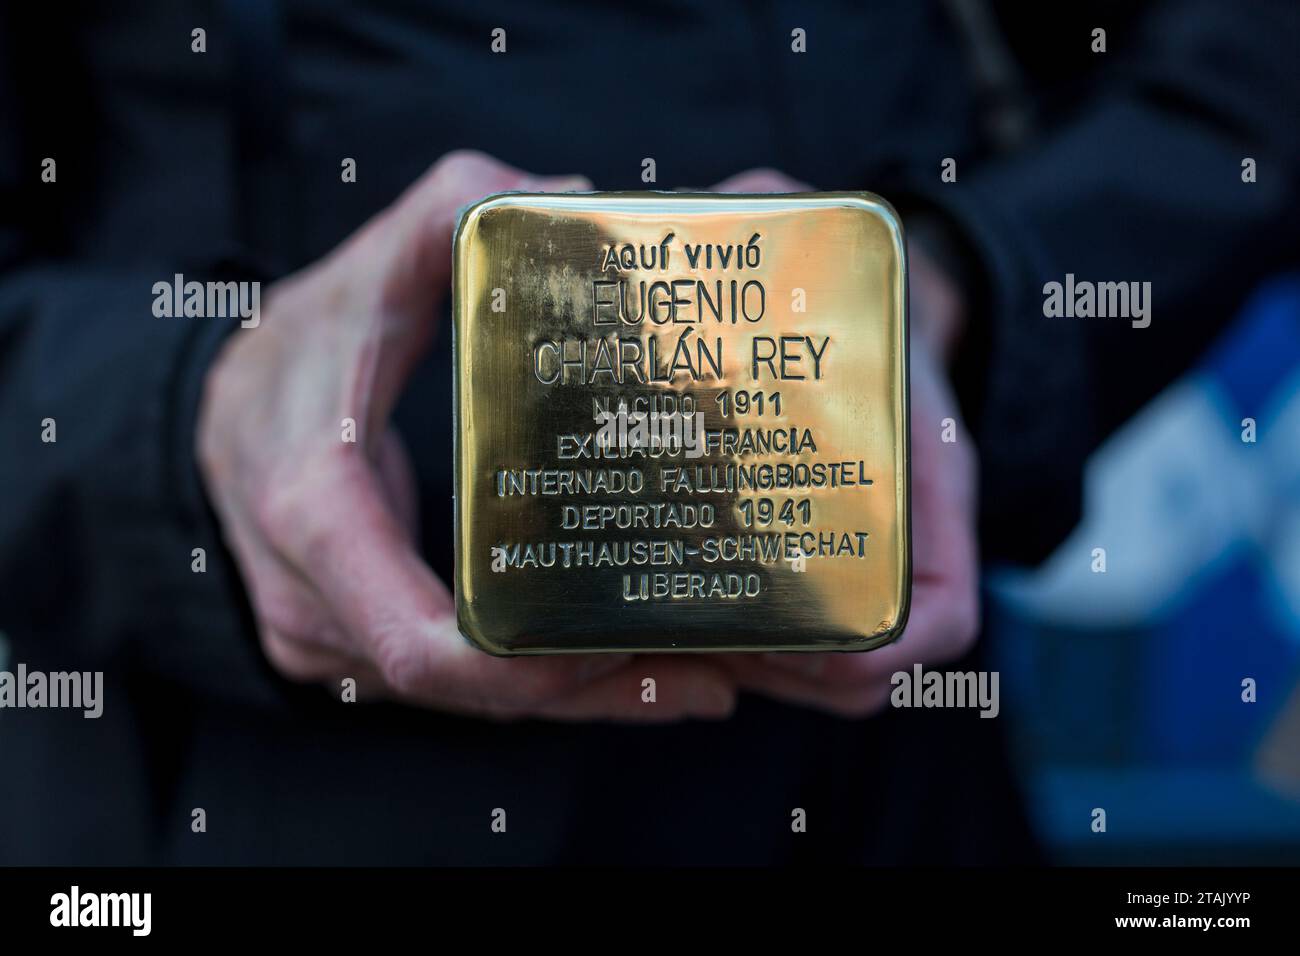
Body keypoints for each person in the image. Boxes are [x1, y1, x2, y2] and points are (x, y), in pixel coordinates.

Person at [1, 0, 1296, 865]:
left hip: (869, 766)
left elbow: (1246, 72)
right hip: (225, 774)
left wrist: (966, 284)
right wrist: (190, 417)